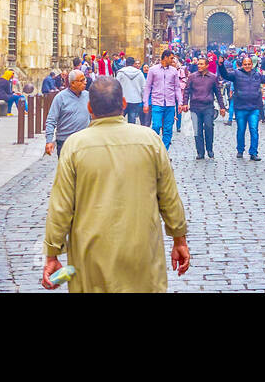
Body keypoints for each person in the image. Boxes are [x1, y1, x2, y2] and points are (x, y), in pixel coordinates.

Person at [41, 78, 190, 292]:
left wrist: (52, 253)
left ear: (89, 107)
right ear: (123, 103)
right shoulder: (150, 140)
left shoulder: (75, 145)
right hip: (141, 251)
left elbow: (61, 206)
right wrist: (179, 238)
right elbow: (168, 195)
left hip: (90, 254)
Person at [220, 56, 265, 161]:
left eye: (249, 64)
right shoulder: (236, 74)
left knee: (254, 130)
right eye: (245, 64)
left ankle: (253, 152)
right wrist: (220, 66)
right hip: (240, 107)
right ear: (242, 65)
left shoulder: (257, 75)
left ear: (252, 65)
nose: (247, 66)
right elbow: (226, 75)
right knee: (241, 130)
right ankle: (240, 150)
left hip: (254, 107)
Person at [182, 57, 227, 159]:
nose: (199, 66)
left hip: (208, 107)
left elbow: (218, 93)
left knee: (208, 127)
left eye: (202, 64)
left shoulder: (213, 77)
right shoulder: (192, 77)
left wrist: (222, 107)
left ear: (207, 65)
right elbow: (187, 91)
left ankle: (209, 149)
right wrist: (185, 103)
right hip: (195, 107)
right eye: (198, 64)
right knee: (197, 130)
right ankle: (200, 152)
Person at [143, 50, 185, 150]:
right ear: (165, 57)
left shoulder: (174, 71)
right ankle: (155, 149)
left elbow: (177, 87)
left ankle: (164, 151)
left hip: (170, 104)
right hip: (157, 102)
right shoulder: (153, 70)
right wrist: (145, 103)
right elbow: (148, 87)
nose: (173, 60)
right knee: (156, 126)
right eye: (171, 58)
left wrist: (180, 102)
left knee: (168, 129)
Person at [44, 69, 91, 155]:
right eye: (82, 80)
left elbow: (92, 117)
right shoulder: (60, 98)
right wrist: (49, 140)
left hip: (84, 142)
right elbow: (51, 120)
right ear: (72, 83)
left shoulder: (87, 96)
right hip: (65, 142)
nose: (85, 82)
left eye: (85, 79)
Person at [117, 57, 147, 124]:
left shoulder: (121, 73)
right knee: (132, 119)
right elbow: (144, 87)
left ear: (125, 63)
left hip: (123, 99)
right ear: (134, 64)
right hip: (135, 99)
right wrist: (144, 99)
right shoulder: (139, 73)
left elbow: (116, 85)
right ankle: (130, 132)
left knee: (120, 119)